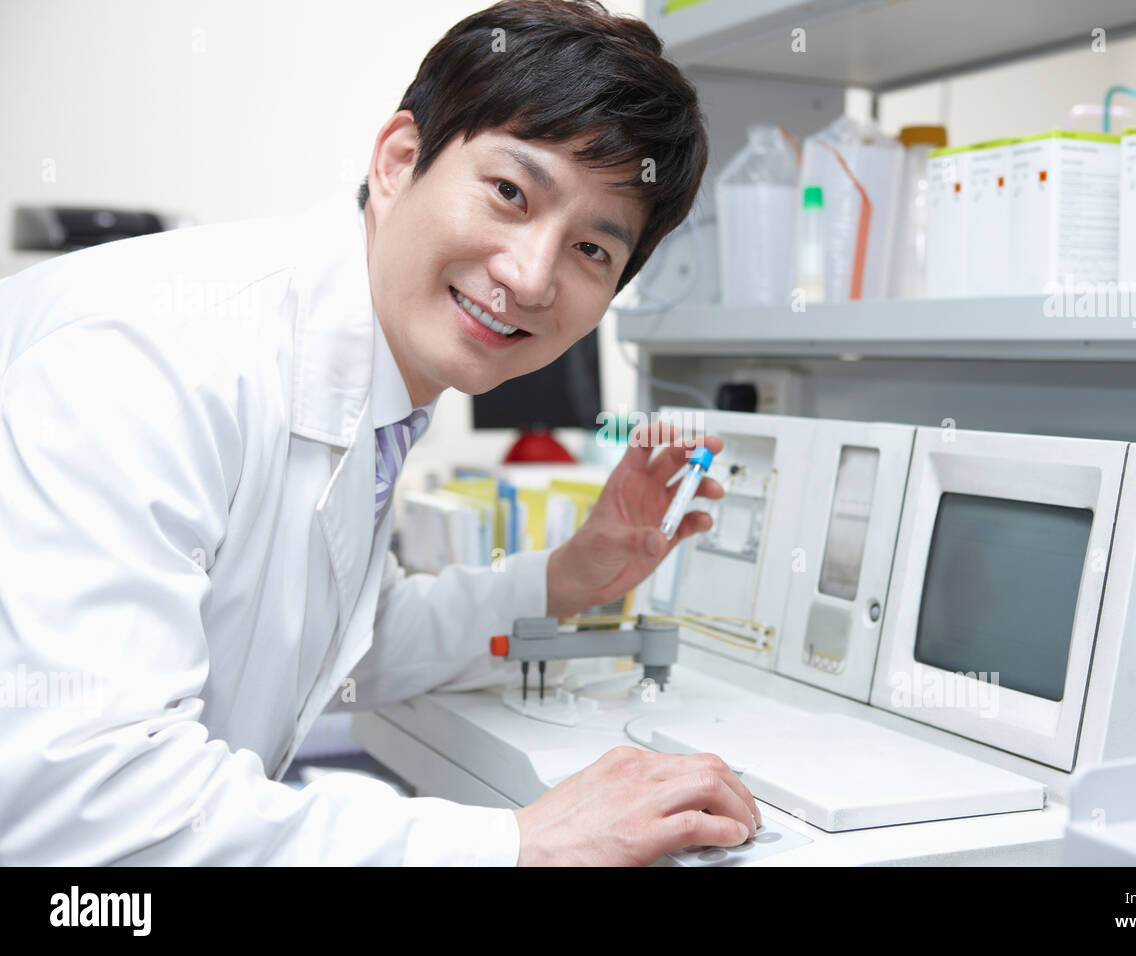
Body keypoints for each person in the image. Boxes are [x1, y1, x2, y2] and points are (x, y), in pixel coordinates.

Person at [0, 0, 760, 866]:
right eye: (510, 192)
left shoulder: (375, 376)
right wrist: (519, 843)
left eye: (593, 249)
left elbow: (334, 635)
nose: (530, 275)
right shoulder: (155, 356)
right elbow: (83, 801)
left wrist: (572, 577)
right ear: (400, 160)